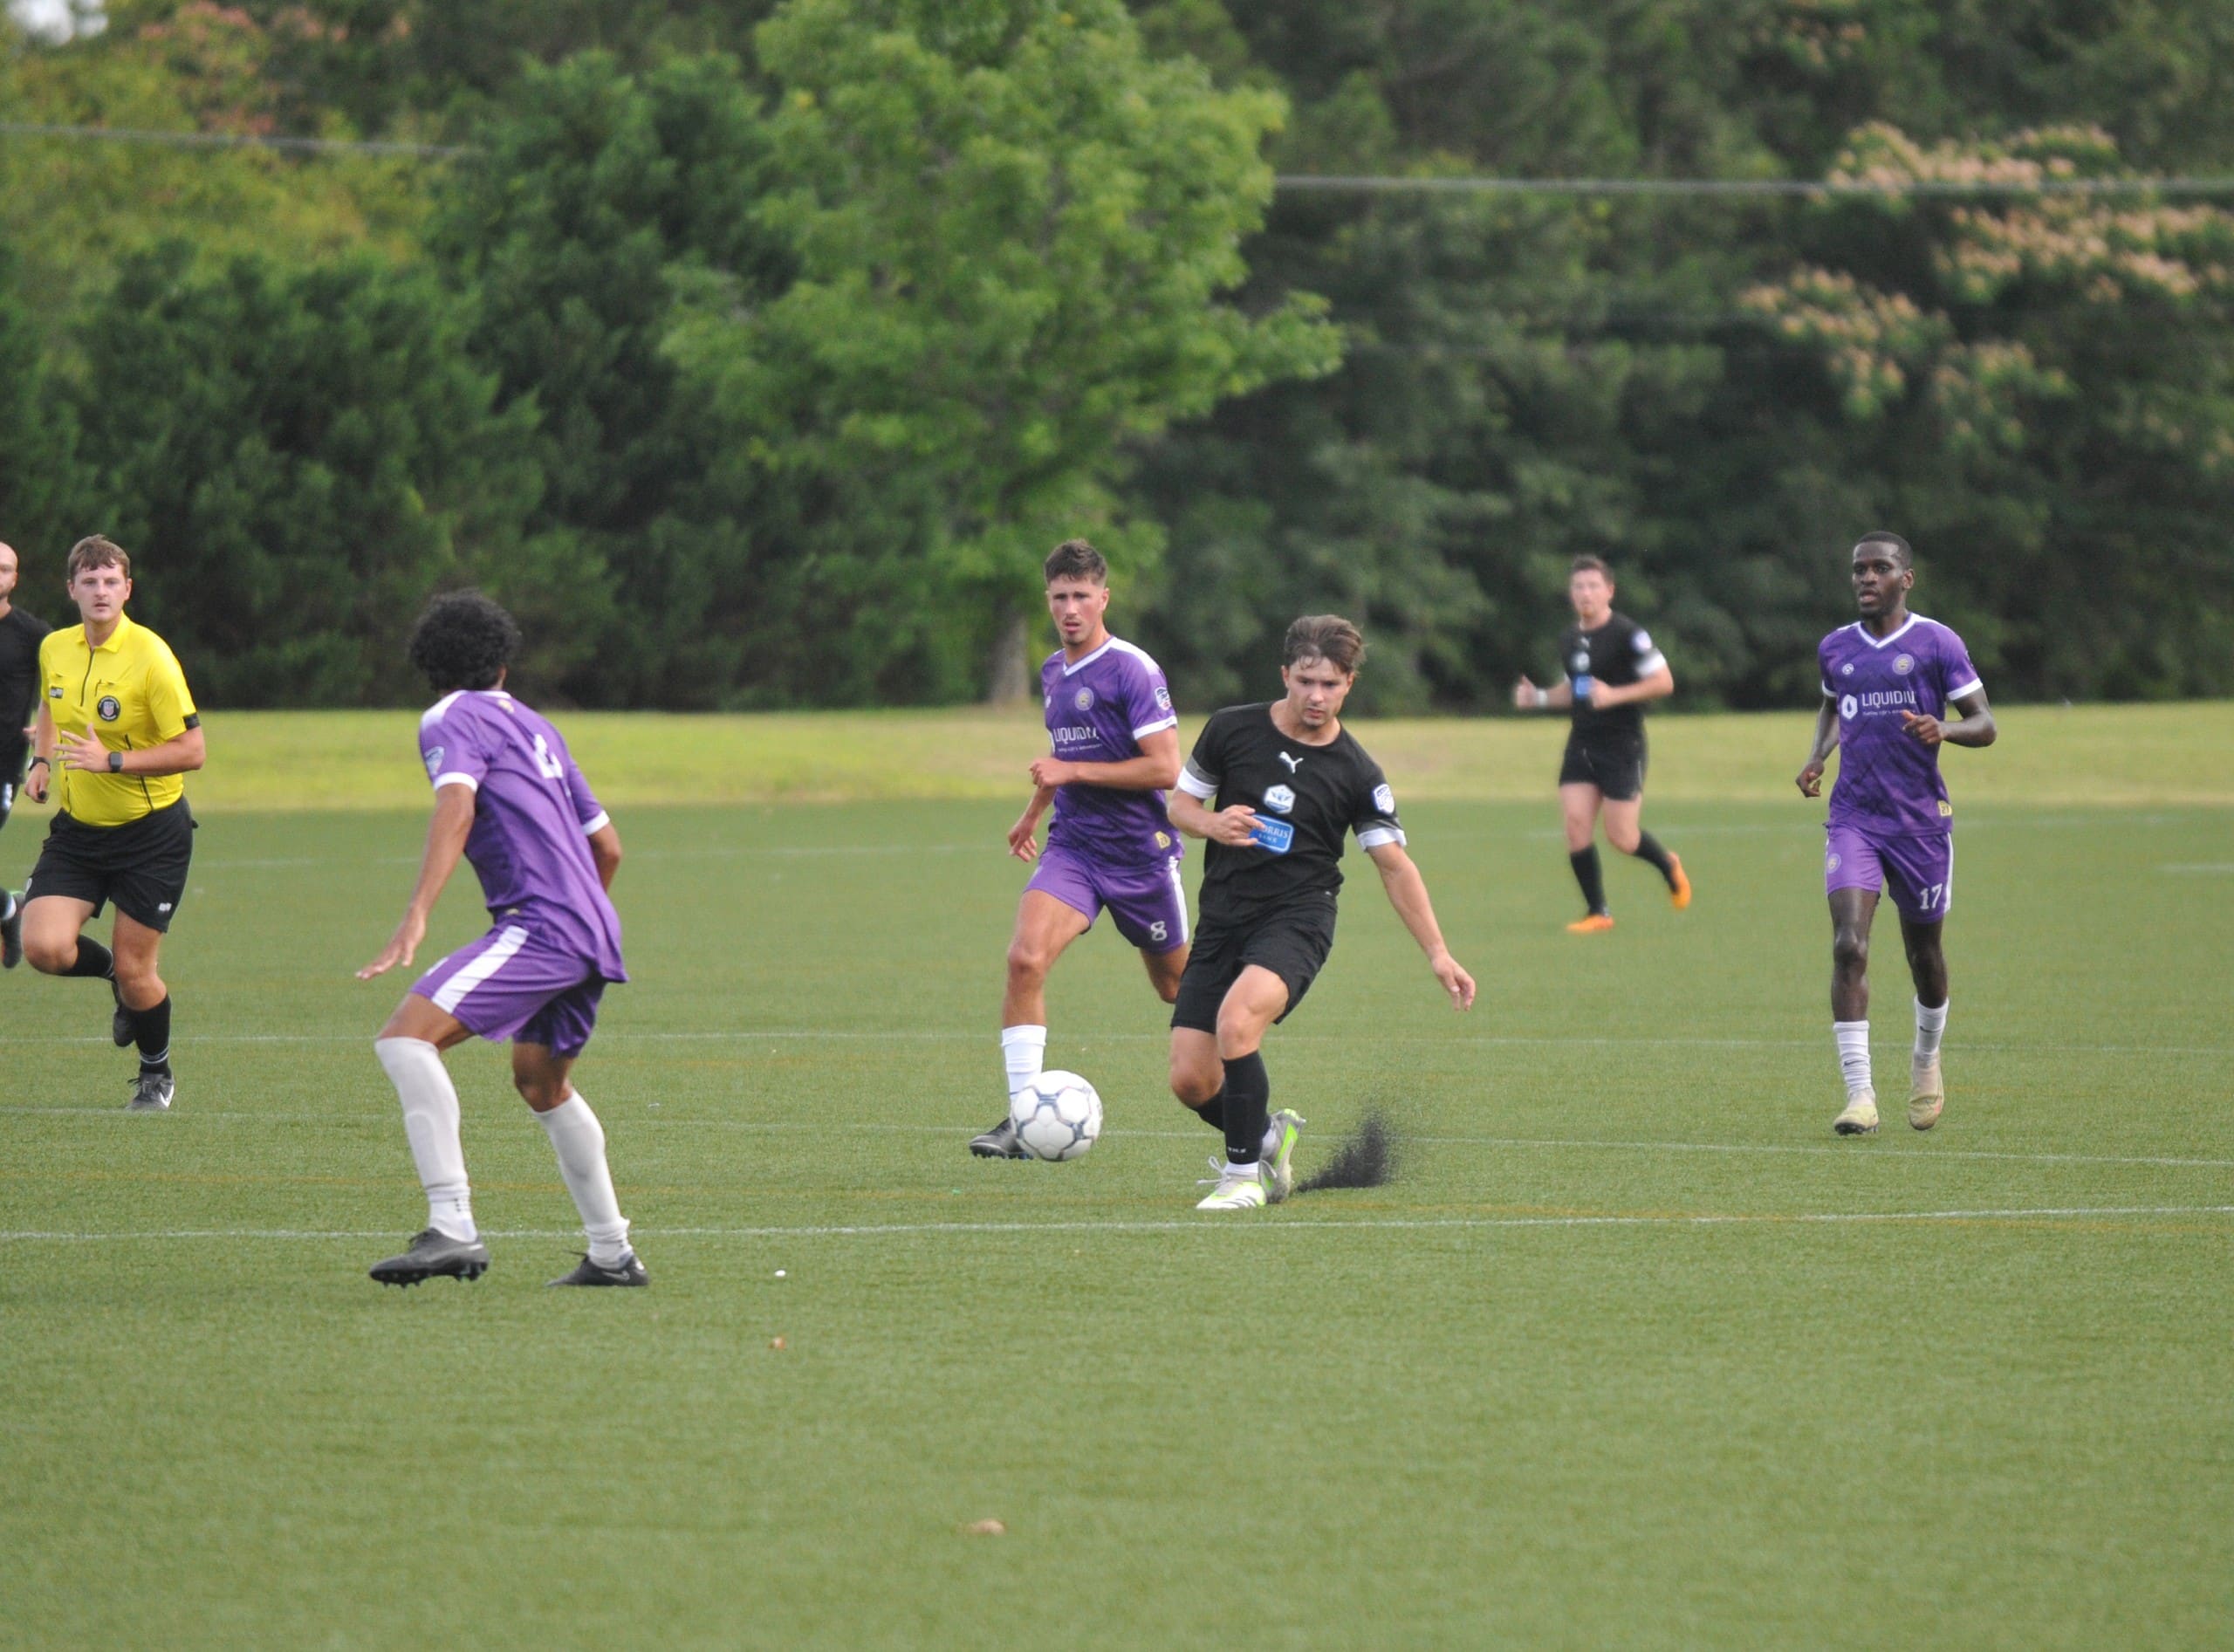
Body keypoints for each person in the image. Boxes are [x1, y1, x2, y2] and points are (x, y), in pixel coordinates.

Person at [356, 593, 643, 1287]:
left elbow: (457, 801)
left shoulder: (447, 716)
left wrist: (418, 910)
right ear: (504, 665)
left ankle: (453, 1226)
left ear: (429, 667)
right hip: (590, 925)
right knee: (542, 1082)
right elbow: (607, 846)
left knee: (405, 1039)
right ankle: (612, 1254)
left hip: (546, 924)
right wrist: (582, 924)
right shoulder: (540, 726)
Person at [1168, 615, 1476, 1210]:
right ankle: (1265, 1137)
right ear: (1285, 673)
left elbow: (1394, 865)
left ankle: (1243, 1178)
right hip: (1223, 917)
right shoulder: (1231, 729)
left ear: (1349, 684)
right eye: (1306, 680)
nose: (1316, 696)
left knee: (1237, 1025)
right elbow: (1180, 805)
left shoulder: (1356, 771)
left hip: (1297, 920)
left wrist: (1438, 951)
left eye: (1330, 684)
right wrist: (1211, 824)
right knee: (1191, 1079)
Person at [970, 539, 1191, 1159]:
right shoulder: (1051, 671)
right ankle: (1020, 1115)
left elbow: (1165, 768)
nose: (1070, 609)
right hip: (1074, 849)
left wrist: (1072, 775)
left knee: (1179, 990)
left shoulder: (1133, 670)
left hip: (1141, 855)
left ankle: (1243, 1056)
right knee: (1025, 959)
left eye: (1081, 596)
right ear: (1049, 600)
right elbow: (1063, 762)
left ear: (1103, 598)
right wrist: (1033, 810)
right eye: (1059, 597)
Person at [1796, 532, 1995, 1136]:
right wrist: (1817, 756)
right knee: (1848, 945)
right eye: (1859, 569)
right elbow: (1835, 706)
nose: (1866, 578)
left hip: (1920, 824)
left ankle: (1926, 1057)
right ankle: (1860, 1095)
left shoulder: (1937, 642)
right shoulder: (1836, 648)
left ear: (1906, 578)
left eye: (1880, 568)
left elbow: (1985, 723)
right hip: (1855, 816)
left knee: (1923, 956)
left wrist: (1945, 730)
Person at [19, 537, 204, 1111]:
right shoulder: (55, 647)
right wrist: (44, 760)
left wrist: (114, 760)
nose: (101, 591)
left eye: (111, 581)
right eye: (89, 581)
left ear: (127, 589)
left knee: (138, 968)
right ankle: (114, 985)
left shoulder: (151, 656)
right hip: (78, 830)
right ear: (71, 589)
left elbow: (193, 749)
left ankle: (156, 1074)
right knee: (43, 947)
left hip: (150, 834)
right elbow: (51, 705)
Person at [1512, 555, 1689, 932]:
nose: (1585, 593)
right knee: (1576, 824)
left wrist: (1614, 695)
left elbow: (1664, 682)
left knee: (1621, 837)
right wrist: (1538, 699)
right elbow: (1574, 692)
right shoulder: (1570, 638)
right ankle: (1598, 912)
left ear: (1609, 590)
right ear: (1571, 594)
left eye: (1593, 586)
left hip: (1622, 743)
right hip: (1582, 741)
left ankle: (1668, 865)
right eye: (1578, 587)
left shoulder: (1629, 635)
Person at [0, 539, 54, 969]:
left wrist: (54, 727)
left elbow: (71, 683)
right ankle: (9, 910)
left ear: (15, 579)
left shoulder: (34, 634)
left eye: (4, 569)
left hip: (3, 762)